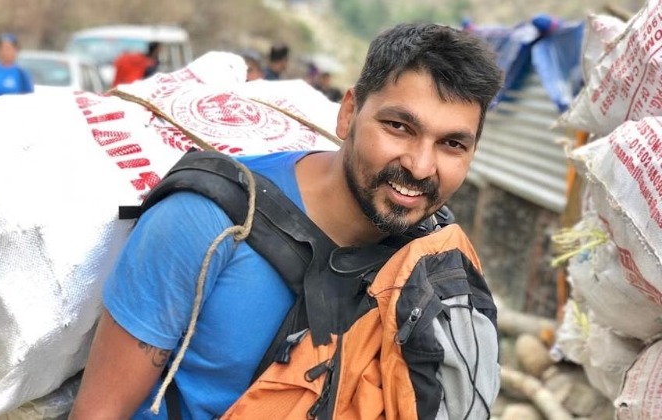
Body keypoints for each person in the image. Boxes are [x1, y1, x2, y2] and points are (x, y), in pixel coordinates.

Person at [70, 22, 503, 419]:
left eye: (451, 144)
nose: (421, 166)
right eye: (398, 127)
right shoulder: (206, 221)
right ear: (349, 113)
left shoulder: (430, 262)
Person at [0, 33, 34, 100]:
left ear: (15, 51)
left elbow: (27, 97)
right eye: (1, 48)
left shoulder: (21, 73)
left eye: (8, 48)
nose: (5, 52)